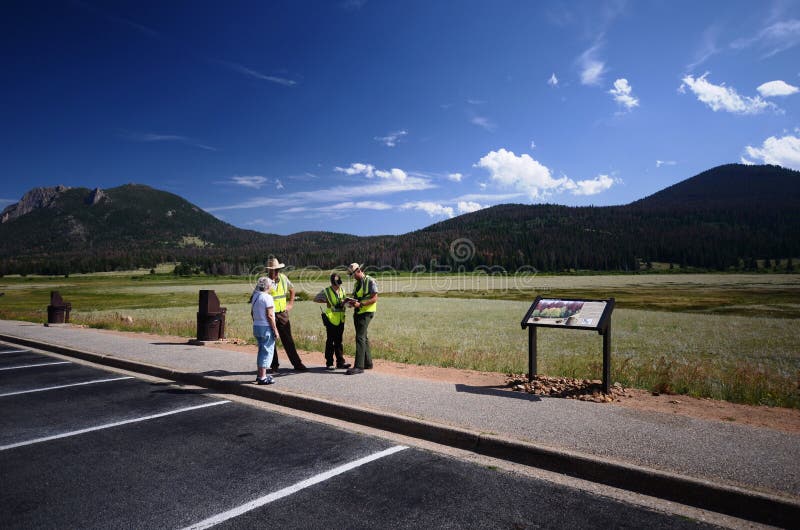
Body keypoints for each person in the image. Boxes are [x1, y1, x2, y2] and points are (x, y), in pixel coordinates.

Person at [266, 257, 307, 371]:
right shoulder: (264, 281)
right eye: (274, 270)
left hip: (283, 313)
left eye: (278, 270)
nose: (276, 272)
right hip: (270, 315)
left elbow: (292, 289)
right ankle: (274, 366)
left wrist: (291, 304)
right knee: (271, 341)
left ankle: (297, 364)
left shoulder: (283, 278)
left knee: (288, 340)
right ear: (269, 270)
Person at [313, 273, 352, 370]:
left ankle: (340, 362)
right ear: (332, 283)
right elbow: (316, 299)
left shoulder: (342, 290)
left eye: (339, 283)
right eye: (336, 284)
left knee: (339, 341)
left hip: (341, 319)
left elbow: (343, 301)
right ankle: (329, 362)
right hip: (330, 319)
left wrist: (348, 303)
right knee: (330, 341)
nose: (338, 285)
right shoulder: (326, 291)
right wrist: (326, 301)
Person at [345, 262, 378, 375]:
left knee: (359, 337)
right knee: (364, 337)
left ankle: (359, 366)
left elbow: (374, 298)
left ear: (358, 271)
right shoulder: (356, 284)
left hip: (366, 312)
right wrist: (349, 303)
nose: (353, 277)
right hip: (358, 312)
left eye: (353, 274)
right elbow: (356, 298)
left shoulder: (370, 281)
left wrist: (361, 304)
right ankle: (368, 363)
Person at [251, 277, 278, 385]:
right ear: (267, 286)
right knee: (266, 351)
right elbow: (270, 315)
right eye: (271, 284)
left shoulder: (255, 296)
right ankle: (262, 377)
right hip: (265, 327)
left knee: (261, 350)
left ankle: (260, 374)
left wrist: (257, 321)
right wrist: (275, 330)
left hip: (256, 326)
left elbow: (252, 313)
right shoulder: (267, 298)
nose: (272, 286)